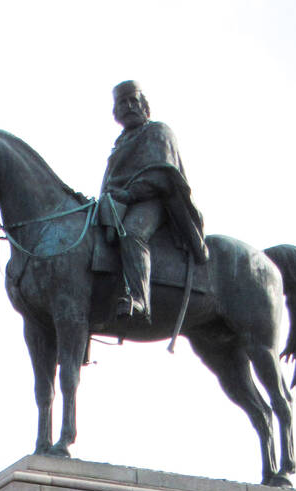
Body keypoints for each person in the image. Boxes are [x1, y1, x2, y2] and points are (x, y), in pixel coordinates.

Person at [100, 80, 207, 323]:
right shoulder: (120, 143)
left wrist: (129, 194)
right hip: (119, 204)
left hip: (157, 200)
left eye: (132, 101)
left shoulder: (158, 131)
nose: (127, 106)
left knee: (132, 233)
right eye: (121, 103)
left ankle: (140, 299)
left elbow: (162, 174)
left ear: (144, 107)